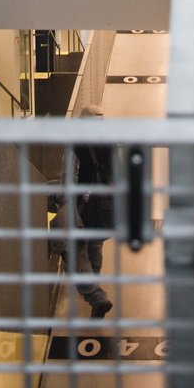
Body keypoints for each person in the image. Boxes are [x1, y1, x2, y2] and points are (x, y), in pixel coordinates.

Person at [49, 106, 115, 320]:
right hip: (104, 207)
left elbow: (68, 179)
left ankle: (96, 297)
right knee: (95, 246)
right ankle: (93, 285)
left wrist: (59, 200)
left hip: (82, 207)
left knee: (75, 253)